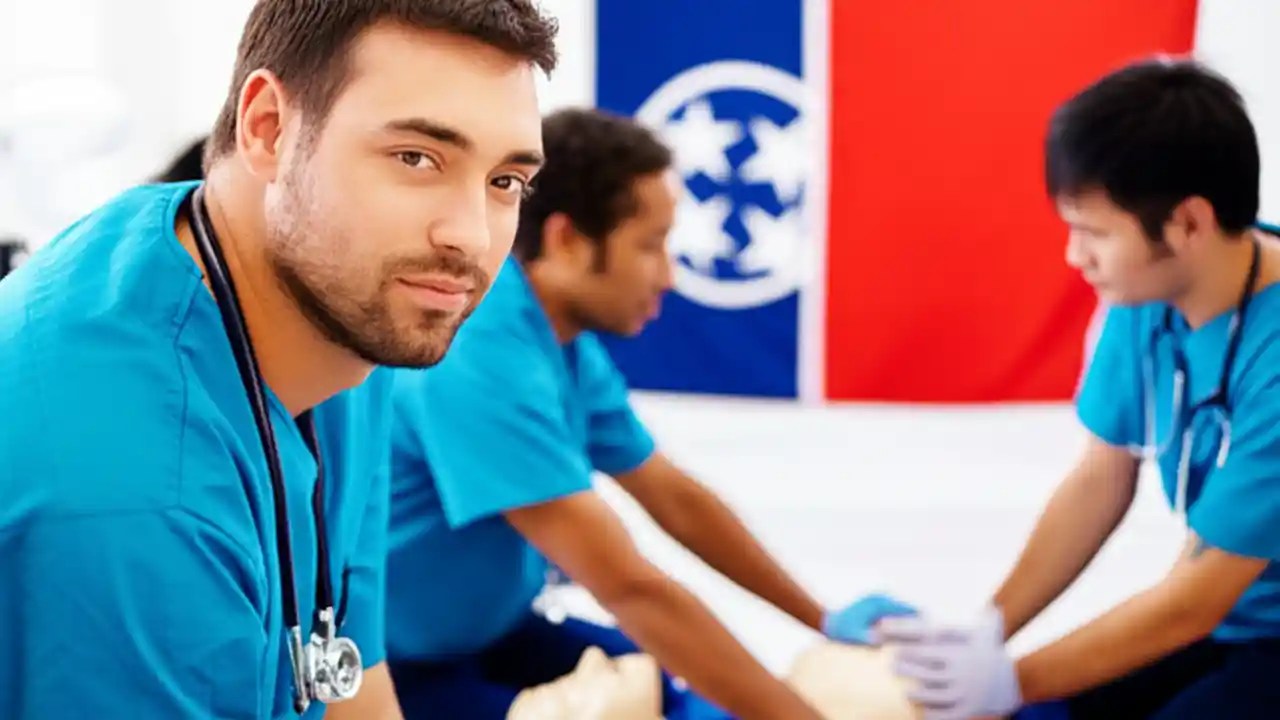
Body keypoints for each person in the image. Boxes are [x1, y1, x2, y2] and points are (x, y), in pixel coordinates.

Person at [0, 1, 557, 718]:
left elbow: (345, 678)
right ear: (267, 128)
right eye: (416, 158)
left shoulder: (339, 313)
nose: (471, 237)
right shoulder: (133, 495)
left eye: (504, 181)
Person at [381, 107, 887, 720]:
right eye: (650, 245)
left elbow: (674, 498)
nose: (669, 276)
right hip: (394, 669)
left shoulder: (560, 340)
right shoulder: (480, 353)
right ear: (568, 239)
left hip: (496, 635)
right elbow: (627, 584)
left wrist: (823, 619)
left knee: (671, 694)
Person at [843, 58, 1280, 720]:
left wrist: (1011, 680)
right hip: (1236, 618)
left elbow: (1197, 599)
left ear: (1189, 223)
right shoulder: (1150, 293)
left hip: (1232, 617)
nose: (1074, 257)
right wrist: (988, 632)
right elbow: (1100, 477)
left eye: (1094, 233)